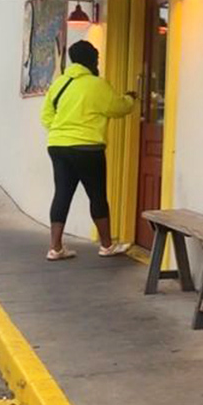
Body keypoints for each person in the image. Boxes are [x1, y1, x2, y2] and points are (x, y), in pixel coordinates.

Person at [41, 40, 136, 261]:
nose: (98, 62)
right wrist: (130, 98)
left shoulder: (59, 83)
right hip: (87, 147)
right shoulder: (96, 84)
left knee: (62, 193)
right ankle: (106, 246)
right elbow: (117, 108)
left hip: (57, 145)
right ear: (90, 60)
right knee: (97, 194)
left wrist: (62, 130)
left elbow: (46, 115)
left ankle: (55, 248)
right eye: (96, 58)